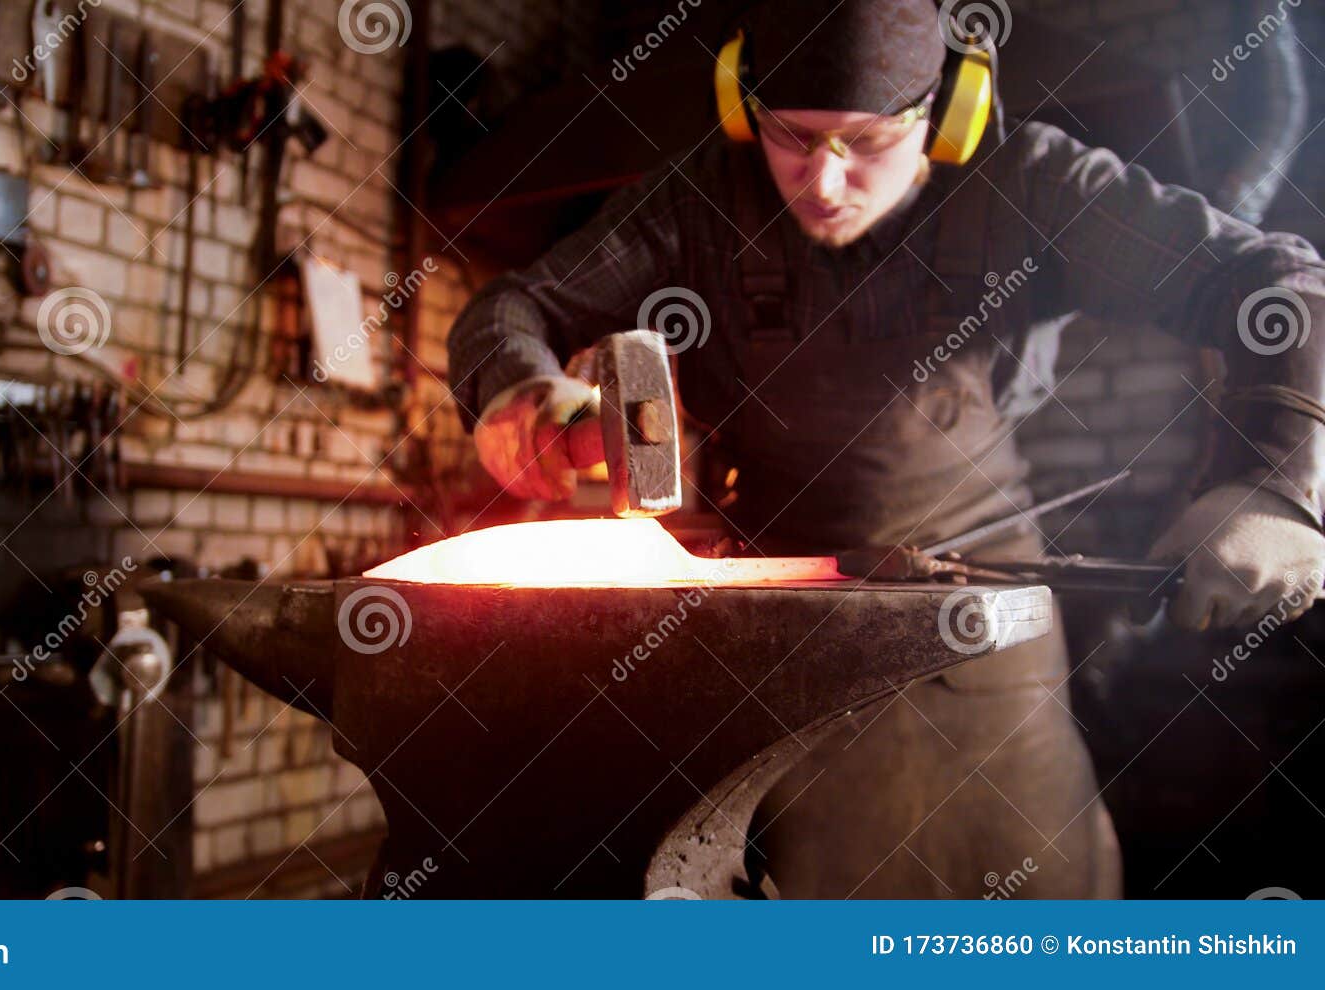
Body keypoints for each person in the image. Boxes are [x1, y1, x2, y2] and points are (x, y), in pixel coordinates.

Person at [444, 0, 1325, 897]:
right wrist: (519, 389)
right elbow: (512, 305)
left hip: (983, 618)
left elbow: (1271, 278)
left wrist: (1279, 480)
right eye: (791, 137)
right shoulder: (704, 198)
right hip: (788, 628)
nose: (823, 183)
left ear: (946, 117)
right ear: (743, 106)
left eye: (865, 144)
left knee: (1035, 905)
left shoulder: (1027, 181)